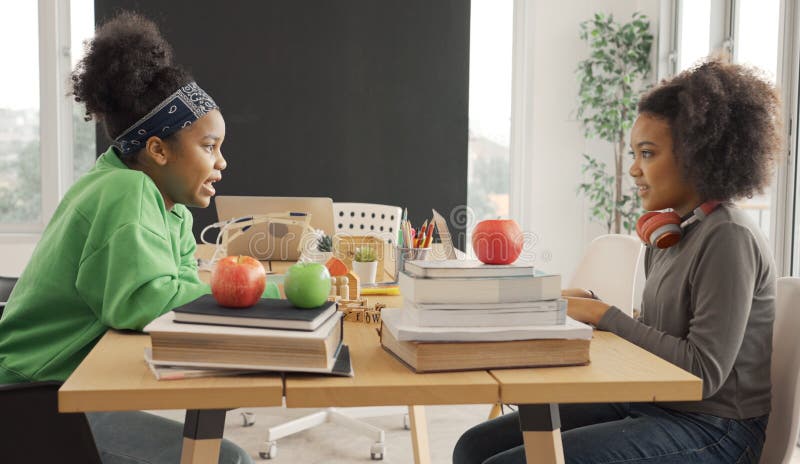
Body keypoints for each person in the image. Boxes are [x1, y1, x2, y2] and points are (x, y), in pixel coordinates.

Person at [453, 60, 781, 464]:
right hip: (653, 399)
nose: (634, 169)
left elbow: (702, 372)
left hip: (715, 428)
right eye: (634, 153)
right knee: (472, 448)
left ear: (698, 156)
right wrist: (592, 305)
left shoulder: (728, 236)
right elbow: (661, 335)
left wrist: (603, 314)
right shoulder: (669, 233)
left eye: (648, 153)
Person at [0, 12, 255, 464]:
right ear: (157, 150)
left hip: (57, 388)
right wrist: (270, 296)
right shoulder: (127, 191)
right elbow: (145, 303)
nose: (222, 163)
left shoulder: (165, 206)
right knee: (226, 459)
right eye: (208, 146)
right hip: (31, 402)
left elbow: (177, 289)